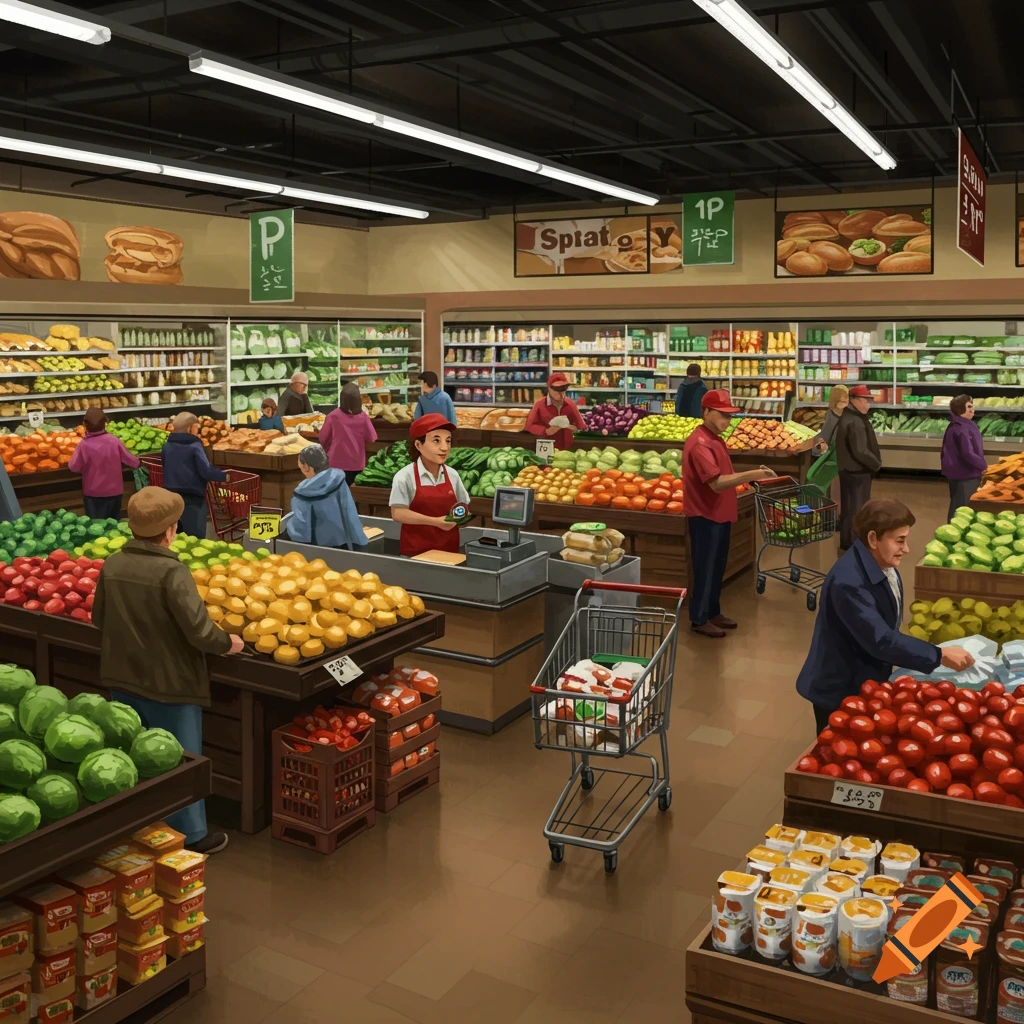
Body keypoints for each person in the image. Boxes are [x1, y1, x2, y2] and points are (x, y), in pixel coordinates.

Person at [92, 486, 244, 854]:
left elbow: (99, 618)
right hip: (170, 682)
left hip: (123, 676)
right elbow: (200, 631)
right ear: (171, 530)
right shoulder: (172, 571)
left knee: (136, 749)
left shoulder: (112, 564)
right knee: (180, 759)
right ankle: (191, 835)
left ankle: (143, 822)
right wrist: (230, 643)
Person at [796, 498, 975, 734]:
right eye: (900, 540)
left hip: (865, 678)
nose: (907, 549)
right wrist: (938, 655)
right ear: (872, 539)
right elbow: (880, 640)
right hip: (839, 687)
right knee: (839, 747)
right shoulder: (849, 582)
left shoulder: (882, 564)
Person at [683, 389, 775, 638]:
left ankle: (713, 611)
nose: (727, 420)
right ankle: (699, 618)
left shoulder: (714, 438)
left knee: (716, 567)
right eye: (722, 415)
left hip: (719, 514)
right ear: (706, 412)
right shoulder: (699, 443)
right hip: (705, 515)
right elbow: (715, 483)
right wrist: (752, 475)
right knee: (705, 568)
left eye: (730, 415)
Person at [390, 413, 470, 558]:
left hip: (450, 554)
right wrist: (436, 522)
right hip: (415, 555)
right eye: (436, 441)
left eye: (448, 441)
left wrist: (461, 517)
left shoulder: (453, 475)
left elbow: (463, 506)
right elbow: (397, 513)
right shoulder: (404, 477)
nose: (444, 448)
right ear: (418, 445)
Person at [282, 444, 366, 550]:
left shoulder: (302, 494)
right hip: (350, 543)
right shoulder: (339, 480)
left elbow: (300, 532)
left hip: (320, 551)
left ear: (306, 467)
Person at [161, 411, 226, 539]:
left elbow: (165, 465)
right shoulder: (195, 446)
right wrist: (224, 476)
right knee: (195, 537)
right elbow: (206, 471)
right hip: (193, 497)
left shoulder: (166, 447)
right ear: (191, 428)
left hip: (171, 496)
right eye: (197, 427)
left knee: (175, 535)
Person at [68, 407, 140, 520]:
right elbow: (132, 461)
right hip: (115, 492)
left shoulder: (84, 445)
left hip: (93, 493)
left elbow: (73, 467)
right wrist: (140, 462)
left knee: (96, 526)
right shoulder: (113, 440)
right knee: (113, 523)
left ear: (84, 424)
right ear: (105, 423)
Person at [836, 384, 881, 551]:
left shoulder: (848, 417)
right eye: (865, 400)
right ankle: (855, 543)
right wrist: (876, 464)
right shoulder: (855, 422)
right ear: (854, 400)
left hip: (848, 470)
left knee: (849, 507)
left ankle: (847, 541)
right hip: (857, 471)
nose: (868, 404)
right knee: (858, 508)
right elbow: (860, 451)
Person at [319, 382, 377, 486]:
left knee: (335, 494)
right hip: (356, 463)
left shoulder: (333, 416)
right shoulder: (363, 417)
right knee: (354, 494)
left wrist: (328, 450)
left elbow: (323, 438)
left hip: (335, 463)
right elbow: (371, 438)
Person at [941, 394, 988, 521]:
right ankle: (955, 530)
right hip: (966, 473)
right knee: (962, 506)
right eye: (969, 407)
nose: (972, 410)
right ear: (959, 409)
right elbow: (968, 453)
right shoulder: (961, 429)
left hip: (957, 472)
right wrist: (984, 467)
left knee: (958, 502)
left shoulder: (959, 425)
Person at [524, 373, 586, 451]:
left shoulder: (570, 404)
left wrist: (575, 429)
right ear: (549, 388)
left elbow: (582, 426)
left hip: (568, 449)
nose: (561, 394)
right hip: (546, 448)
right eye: (557, 390)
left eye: (563, 390)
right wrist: (545, 431)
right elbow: (529, 426)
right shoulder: (539, 404)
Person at [811, 384, 849, 456]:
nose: (844, 404)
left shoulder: (852, 418)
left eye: (846, 400)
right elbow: (815, 440)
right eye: (841, 401)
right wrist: (820, 445)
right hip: (826, 459)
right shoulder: (824, 417)